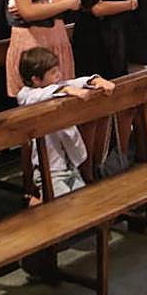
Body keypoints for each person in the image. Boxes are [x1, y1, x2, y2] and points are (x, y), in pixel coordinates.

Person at [15, 46, 115, 199]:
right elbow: (39, 96)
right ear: (36, 80)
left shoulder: (57, 86)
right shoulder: (28, 96)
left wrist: (95, 80)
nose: (58, 75)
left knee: (83, 202)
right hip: (50, 171)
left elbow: (74, 82)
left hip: (71, 166)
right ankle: (34, 204)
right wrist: (66, 90)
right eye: (53, 73)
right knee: (64, 209)